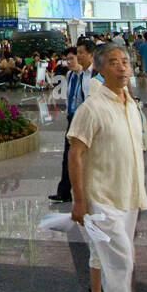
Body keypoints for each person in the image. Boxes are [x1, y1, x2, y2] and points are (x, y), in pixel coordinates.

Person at [67, 44, 147, 292]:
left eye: (125, 62)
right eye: (114, 63)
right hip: (102, 200)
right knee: (120, 266)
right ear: (100, 70)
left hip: (128, 196)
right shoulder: (92, 107)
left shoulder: (130, 103)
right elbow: (75, 153)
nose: (122, 67)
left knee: (119, 261)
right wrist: (79, 200)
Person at [50, 40, 94, 203]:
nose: (68, 62)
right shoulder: (69, 75)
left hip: (86, 119)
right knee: (68, 156)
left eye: (72, 58)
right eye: (67, 59)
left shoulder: (90, 75)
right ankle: (64, 192)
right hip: (73, 119)